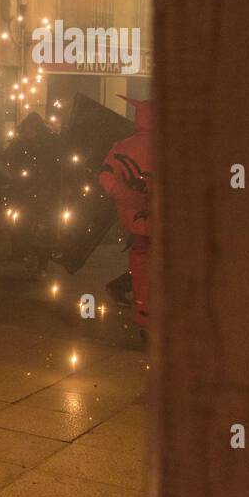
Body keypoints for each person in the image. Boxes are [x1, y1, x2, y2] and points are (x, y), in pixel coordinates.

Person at [99, 97, 152, 331]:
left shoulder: (122, 146)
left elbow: (106, 178)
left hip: (138, 222)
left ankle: (145, 314)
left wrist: (130, 201)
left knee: (142, 263)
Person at [1, 111, 62, 277]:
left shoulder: (48, 145)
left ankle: (41, 263)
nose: (28, 132)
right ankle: (32, 257)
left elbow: (53, 169)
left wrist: (45, 188)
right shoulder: (21, 145)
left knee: (43, 229)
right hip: (26, 193)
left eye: (31, 129)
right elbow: (9, 162)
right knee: (26, 226)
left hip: (45, 193)